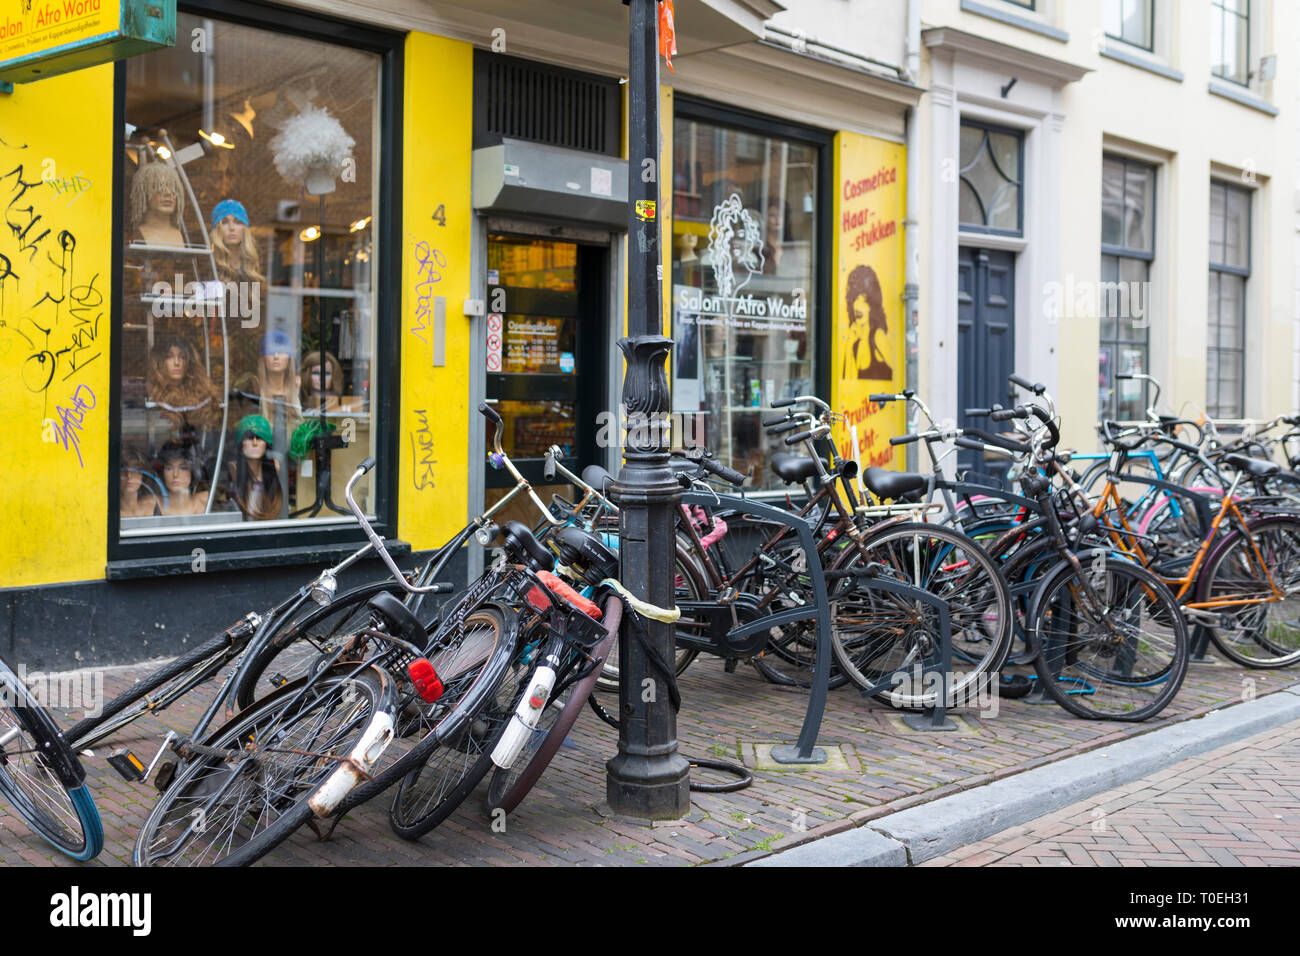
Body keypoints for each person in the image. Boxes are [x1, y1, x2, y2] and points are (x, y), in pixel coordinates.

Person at [145, 334, 223, 448]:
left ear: (189, 362)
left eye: (182, 357)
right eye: (169, 357)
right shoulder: (151, 396)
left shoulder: (203, 395)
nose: (177, 363)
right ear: (159, 362)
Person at [222, 414, 283, 521]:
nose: (255, 443)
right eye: (250, 438)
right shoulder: (234, 468)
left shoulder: (274, 466)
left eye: (259, 438)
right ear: (241, 443)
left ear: (266, 443)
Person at [843, 264, 894, 381]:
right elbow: (849, 382)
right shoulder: (856, 342)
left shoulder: (878, 337)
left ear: (872, 304)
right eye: (854, 298)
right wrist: (849, 347)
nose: (857, 306)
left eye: (863, 299)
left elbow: (898, 374)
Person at [129, 162, 187, 246]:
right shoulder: (137, 236)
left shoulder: (183, 235)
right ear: (144, 193)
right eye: (157, 187)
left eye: (173, 187)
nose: (168, 193)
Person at [156, 440, 210, 515]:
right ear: (162, 472)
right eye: (169, 468)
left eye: (183, 468)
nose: (175, 474)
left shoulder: (206, 501)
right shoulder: (153, 504)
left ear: (193, 471)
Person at [120, 446, 162, 518]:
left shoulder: (153, 505)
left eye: (135, 469)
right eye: (124, 469)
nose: (129, 475)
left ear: (143, 474)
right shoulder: (106, 509)